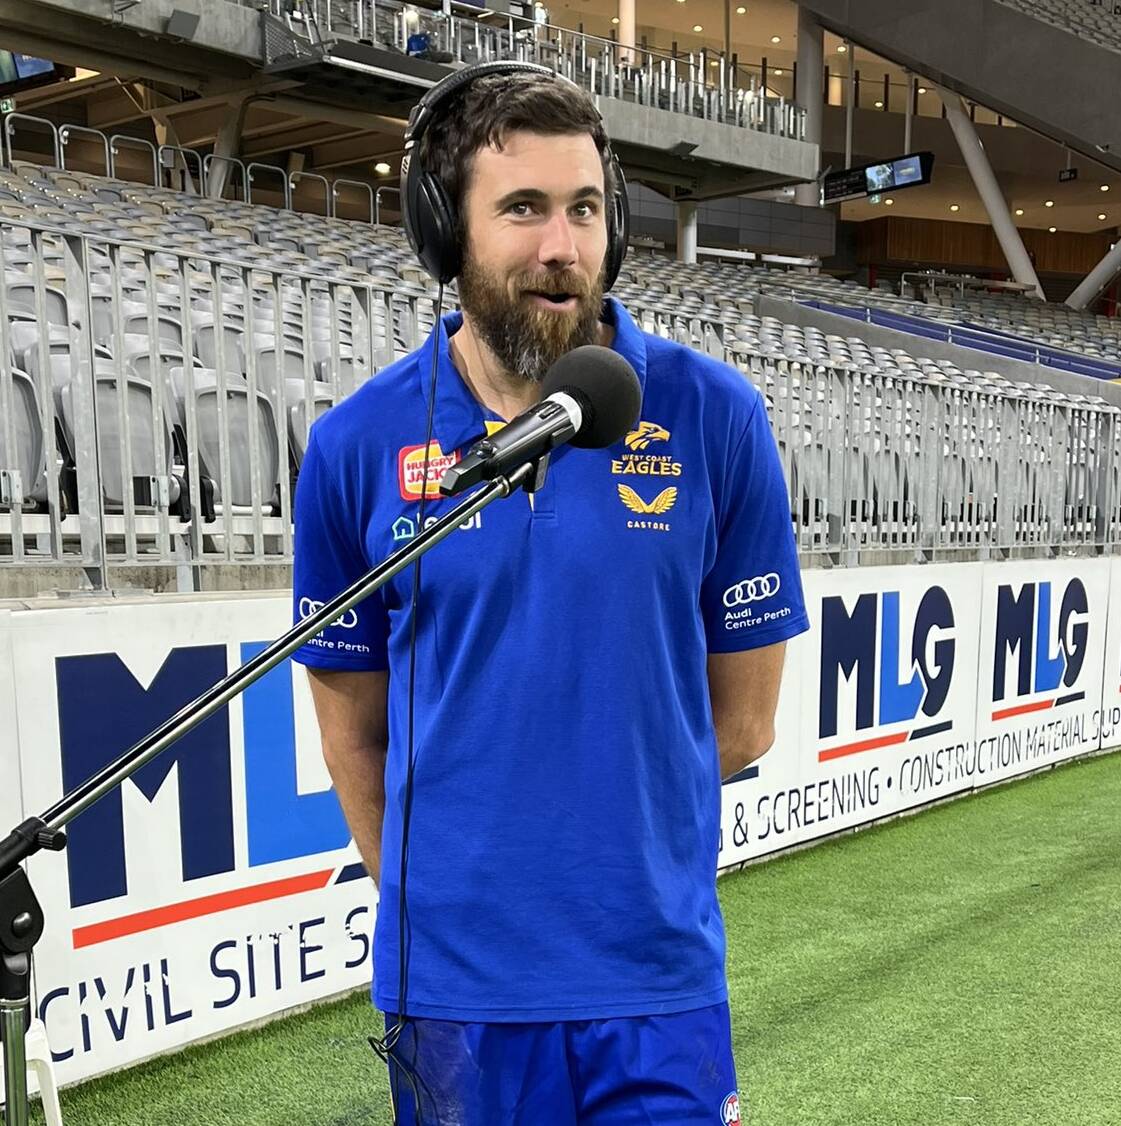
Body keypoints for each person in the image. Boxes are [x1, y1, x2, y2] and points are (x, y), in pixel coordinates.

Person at [291, 62, 809, 1125]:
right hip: (455, 998)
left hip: (655, 980)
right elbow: (353, 738)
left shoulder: (715, 417)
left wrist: (590, 834)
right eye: (522, 208)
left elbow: (744, 722)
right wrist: (455, 903)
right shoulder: (354, 445)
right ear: (445, 231)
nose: (562, 246)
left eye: (583, 208)